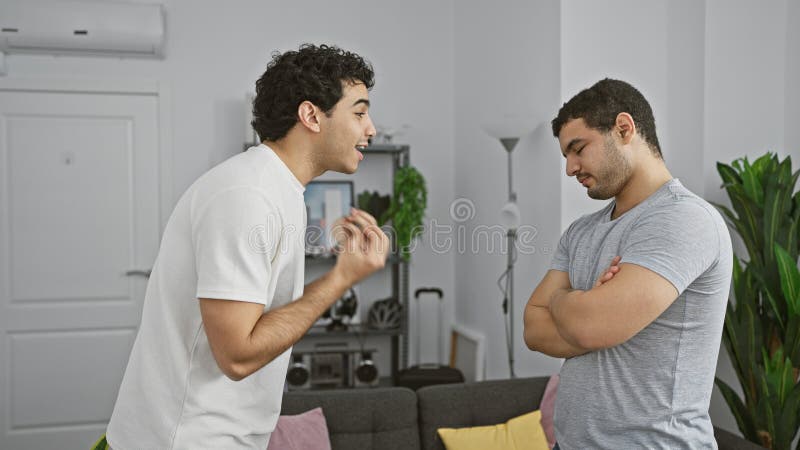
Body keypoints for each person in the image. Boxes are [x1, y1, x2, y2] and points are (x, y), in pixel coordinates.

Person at [103, 44, 388, 450]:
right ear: (310, 116)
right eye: (359, 113)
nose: (371, 129)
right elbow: (237, 355)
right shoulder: (246, 196)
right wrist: (340, 279)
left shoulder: (280, 190)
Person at [523, 78, 732, 448]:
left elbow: (591, 326)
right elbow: (533, 329)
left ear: (624, 128)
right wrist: (588, 311)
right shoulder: (580, 231)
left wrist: (563, 302)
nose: (570, 168)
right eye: (566, 156)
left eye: (578, 148)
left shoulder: (685, 220)